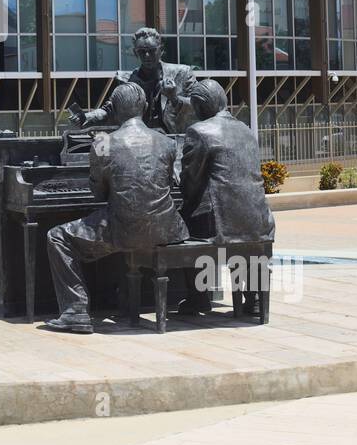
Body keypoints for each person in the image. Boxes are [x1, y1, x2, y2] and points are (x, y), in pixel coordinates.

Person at [44, 82, 188, 333]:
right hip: (168, 228)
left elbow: (98, 192)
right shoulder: (166, 142)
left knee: (56, 237)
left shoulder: (103, 142)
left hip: (124, 229)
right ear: (144, 107)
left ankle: (76, 310)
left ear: (115, 111)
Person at [177, 79, 276, 314]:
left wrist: (183, 196)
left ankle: (198, 297)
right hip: (258, 219)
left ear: (200, 107)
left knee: (180, 224)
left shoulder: (199, 131)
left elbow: (190, 182)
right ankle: (252, 299)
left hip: (221, 224)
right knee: (230, 224)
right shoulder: (246, 130)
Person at [68, 27, 195, 134]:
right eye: (141, 52)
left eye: (151, 51)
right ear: (135, 53)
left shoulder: (182, 73)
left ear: (161, 50)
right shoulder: (127, 81)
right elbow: (110, 109)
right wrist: (86, 117)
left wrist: (174, 98)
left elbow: (200, 107)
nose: (146, 56)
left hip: (174, 139)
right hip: (139, 139)